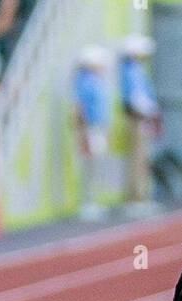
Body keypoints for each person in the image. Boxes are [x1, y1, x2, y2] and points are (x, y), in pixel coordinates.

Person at [118, 33, 160, 214]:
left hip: (140, 116)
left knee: (141, 158)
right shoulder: (132, 70)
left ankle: (140, 195)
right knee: (138, 158)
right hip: (138, 118)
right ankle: (137, 197)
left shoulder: (135, 69)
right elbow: (135, 98)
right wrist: (149, 111)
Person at [72, 45, 110, 222]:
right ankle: (87, 202)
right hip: (90, 128)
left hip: (97, 126)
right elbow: (79, 109)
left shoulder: (94, 80)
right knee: (89, 164)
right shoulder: (84, 81)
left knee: (95, 164)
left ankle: (92, 200)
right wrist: (83, 132)